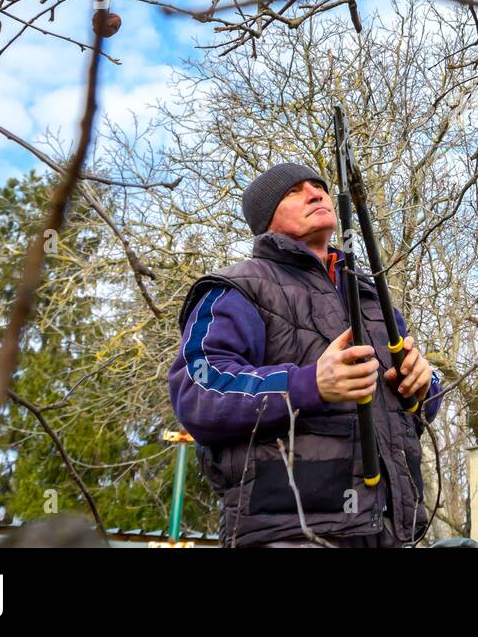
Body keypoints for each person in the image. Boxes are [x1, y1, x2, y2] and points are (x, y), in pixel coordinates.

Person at [168, 161, 443, 547]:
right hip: (287, 534)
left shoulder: (372, 299)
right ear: (266, 218)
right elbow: (198, 391)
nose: (316, 193)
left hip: (395, 533)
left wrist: (424, 388)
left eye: (319, 186)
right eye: (295, 191)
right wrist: (308, 383)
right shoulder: (238, 288)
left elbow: (415, 409)